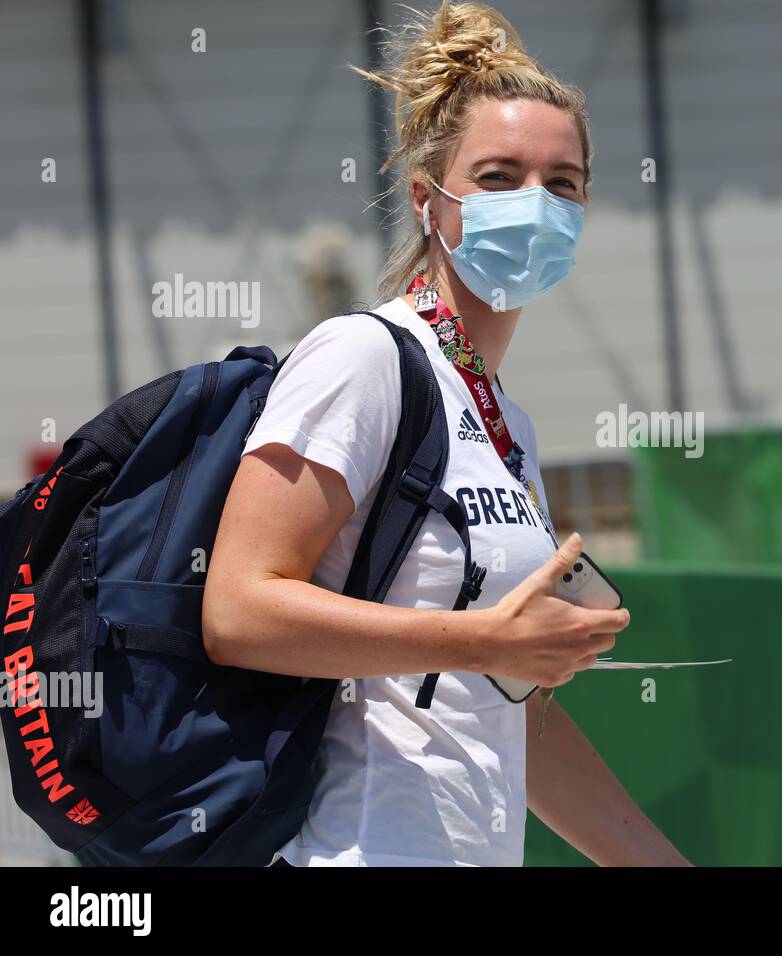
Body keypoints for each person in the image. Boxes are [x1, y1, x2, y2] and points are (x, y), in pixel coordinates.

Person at [203, 0, 689, 868]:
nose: (537, 206)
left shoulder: (507, 422)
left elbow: (505, 711)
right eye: (500, 178)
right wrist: (483, 640)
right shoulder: (364, 357)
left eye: (563, 184)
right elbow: (239, 609)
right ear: (431, 201)